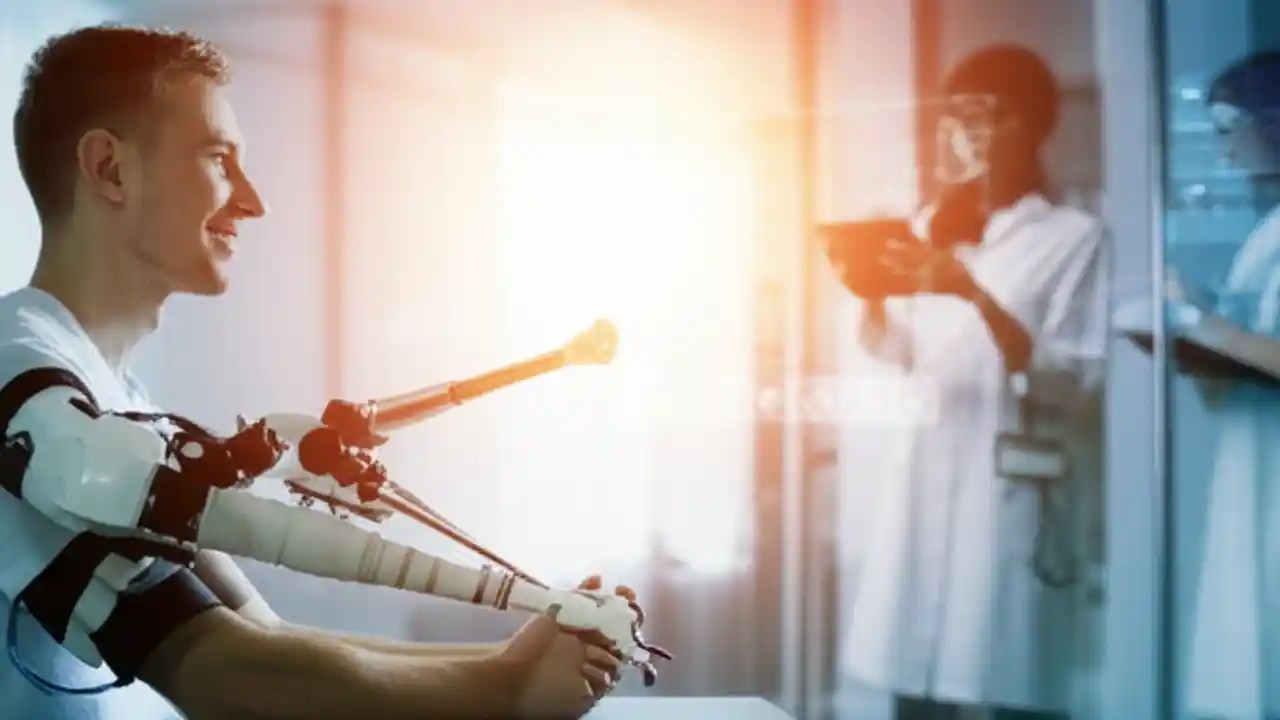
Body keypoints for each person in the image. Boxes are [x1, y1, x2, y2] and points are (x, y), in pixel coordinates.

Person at [0, 24, 631, 719]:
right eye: (218, 158)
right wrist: (505, 695)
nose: (252, 200)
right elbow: (219, 675)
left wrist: (511, 660)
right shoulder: (24, 384)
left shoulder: (111, 399)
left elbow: (264, 639)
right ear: (110, 170)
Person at [828, 45, 1108, 719]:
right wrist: (869, 290)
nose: (969, 134)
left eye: (990, 116)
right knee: (914, 687)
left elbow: (1074, 378)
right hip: (924, 478)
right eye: (958, 118)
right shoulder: (930, 227)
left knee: (1009, 683)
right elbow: (901, 349)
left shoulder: (1073, 237)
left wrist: (975, 296)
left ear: (1033, 126)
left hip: (1008, 491)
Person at [1182, 51, 1280, 720]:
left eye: (1230, 123)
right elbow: (1229, 381)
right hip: (1249, 471)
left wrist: (1206, 326)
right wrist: (1193, 344)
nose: (1221, 144)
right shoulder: (1262, 235)